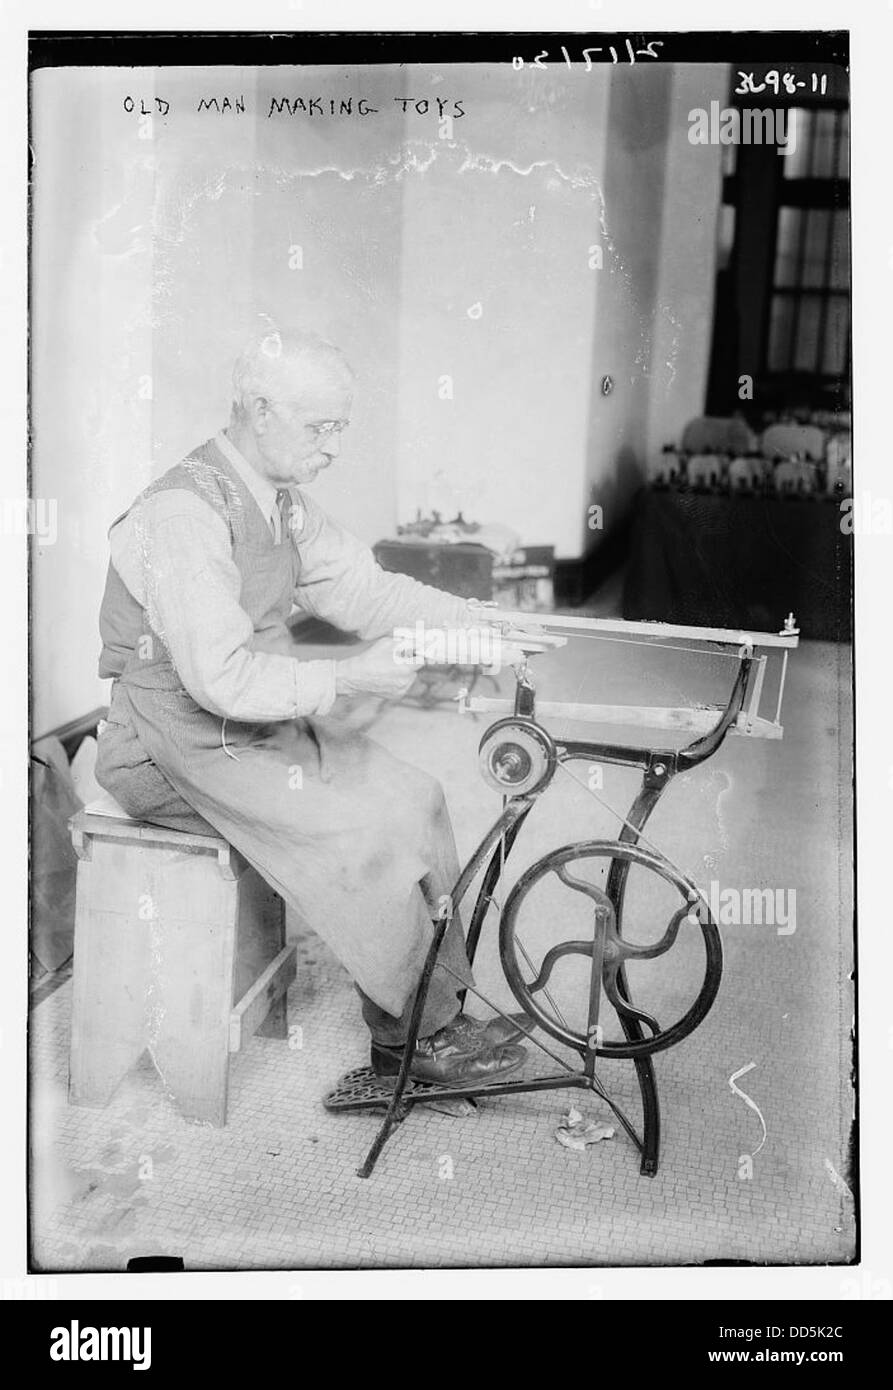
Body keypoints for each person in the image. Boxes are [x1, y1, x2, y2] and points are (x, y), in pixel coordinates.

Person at [94, 328, 531, 1086]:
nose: (334, 447)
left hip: (247, 723)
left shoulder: (281, 504)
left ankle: (429, 1021)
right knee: (360, 836)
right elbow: (219, 681)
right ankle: (413, 1047)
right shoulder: (183, 514)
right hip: (167, 746)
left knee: (414, 797)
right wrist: (350, 680)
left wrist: (471, 622)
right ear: (260, 411)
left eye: (341, 428)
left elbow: (364, 591)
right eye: (320, 427)